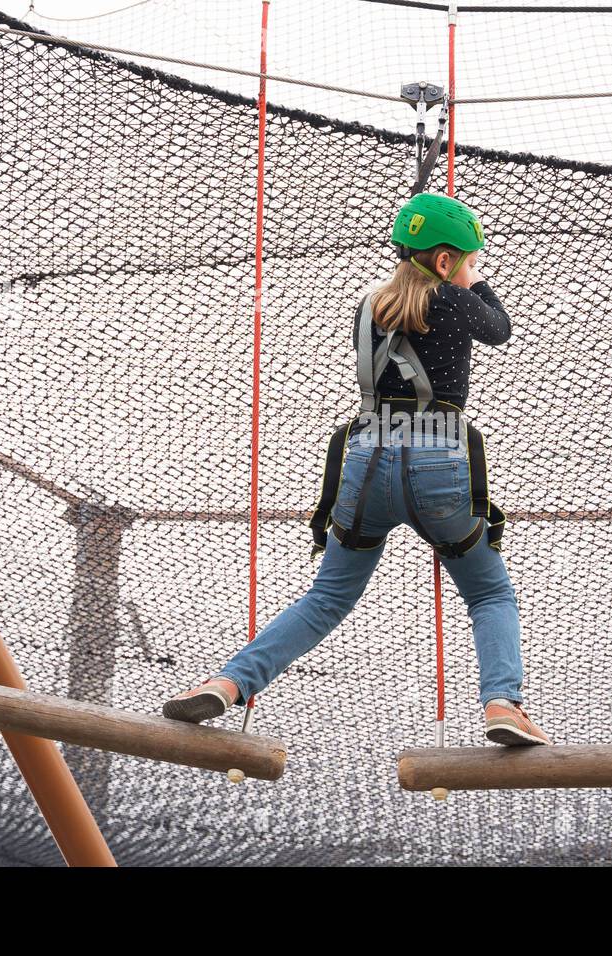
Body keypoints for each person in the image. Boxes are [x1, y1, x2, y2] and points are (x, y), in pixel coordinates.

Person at [163, 192, 549, 746]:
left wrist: (436, 262)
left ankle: (228, 681)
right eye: (471, 260)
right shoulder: (457, 300)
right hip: (436, 460)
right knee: (489, 594)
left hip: (365, 460)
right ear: (444, 263)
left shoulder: (371, 304)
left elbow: (410, 316)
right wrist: (474, 282)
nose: (474, 271)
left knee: (326, 598)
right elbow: (499, 327)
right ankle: (502, 704)